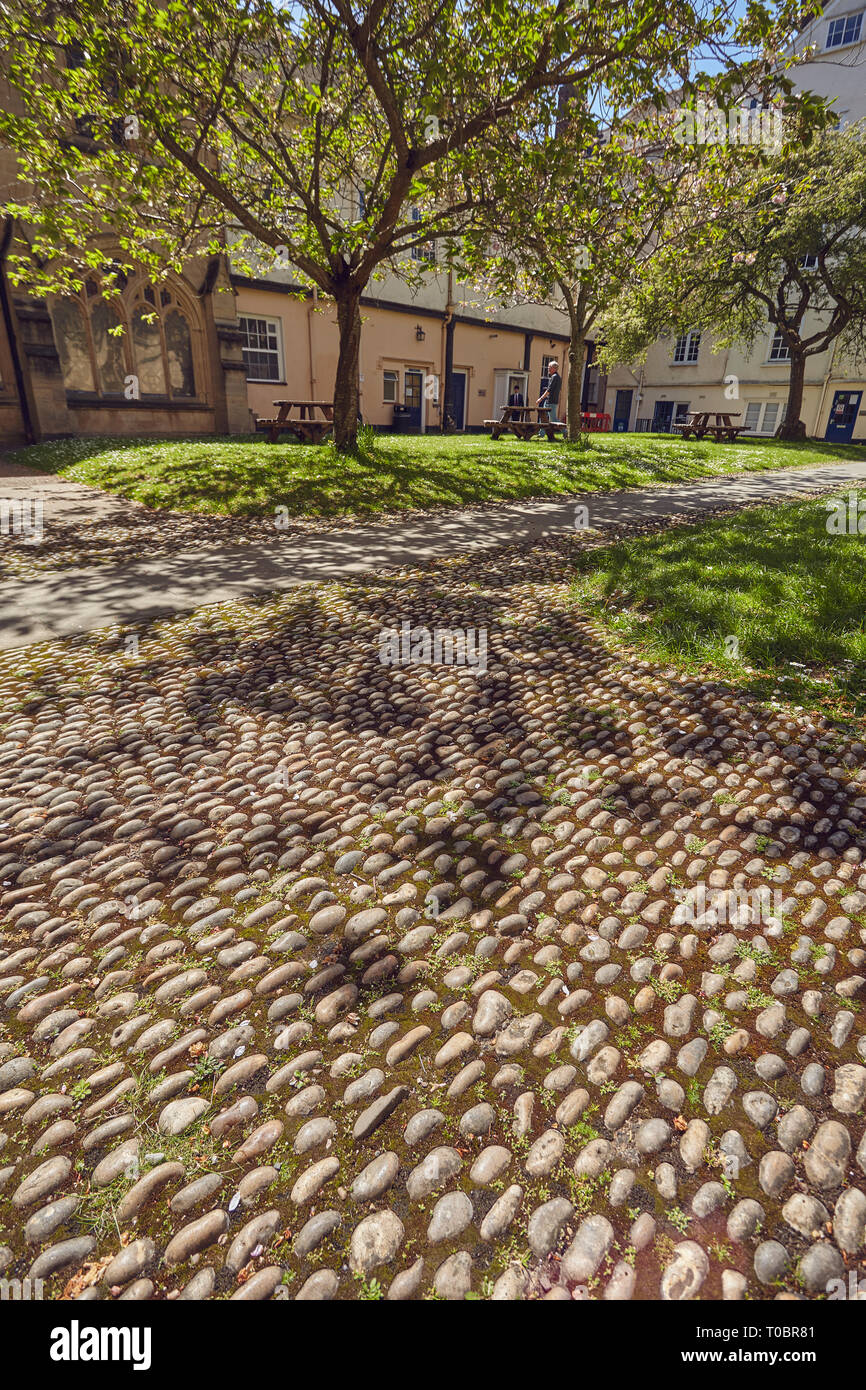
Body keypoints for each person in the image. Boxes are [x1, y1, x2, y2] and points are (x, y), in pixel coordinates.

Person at [536, 361, 562, 435]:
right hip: (549, 401)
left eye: (549, 367)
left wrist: (540, 399)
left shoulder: (554, 377)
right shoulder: (557, 377)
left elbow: (549, 390)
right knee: (543, 417)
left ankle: (565, 431)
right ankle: (541, 433)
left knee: (553, 419)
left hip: (551, 402)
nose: (548, 368)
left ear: (554, 368)